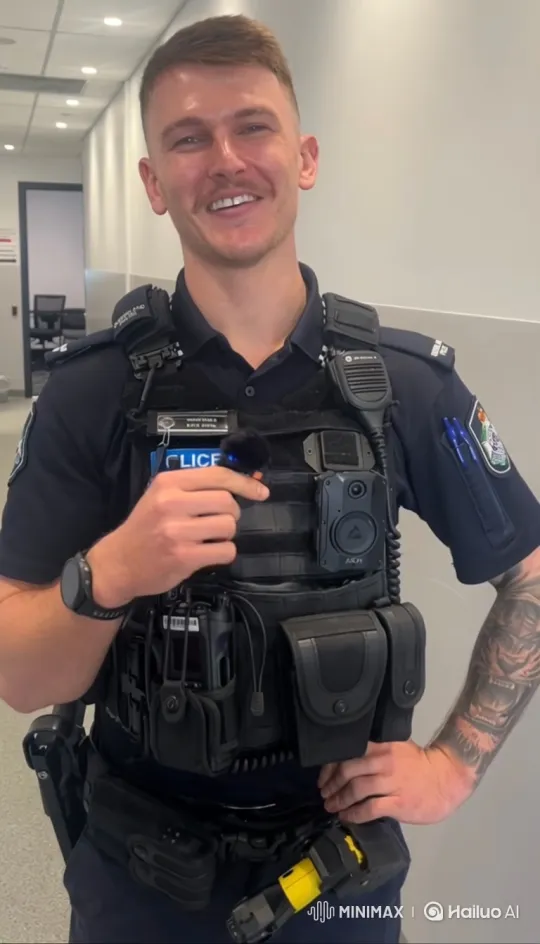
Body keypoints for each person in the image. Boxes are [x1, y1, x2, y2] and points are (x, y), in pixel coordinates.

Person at [1, 12, 540, 944]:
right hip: (140, 881)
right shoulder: (90, 396)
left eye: (252, 126)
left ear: (305, 158)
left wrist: (453, 764)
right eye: (187, 138)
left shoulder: (407, 385)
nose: (224, 160)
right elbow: (17, 672)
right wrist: (111, 574)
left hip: (337, 880)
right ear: (155, 184)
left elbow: (531, 571)